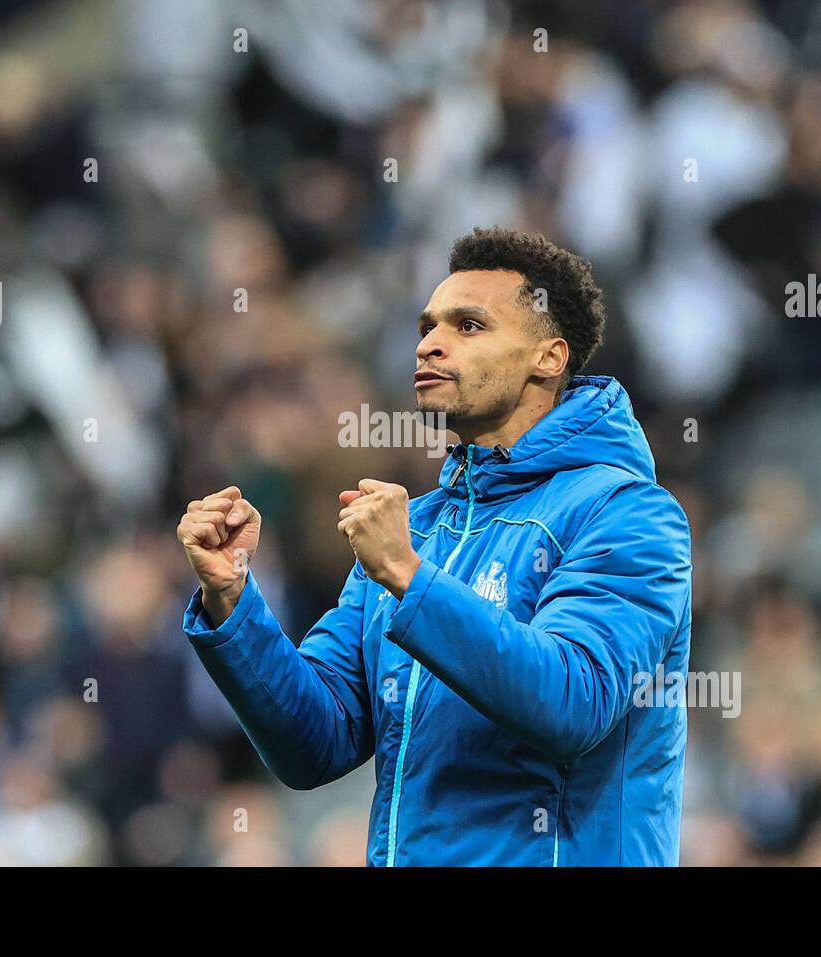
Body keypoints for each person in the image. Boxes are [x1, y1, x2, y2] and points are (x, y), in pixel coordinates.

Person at [179, 227, 692, 865]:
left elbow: (573, 704)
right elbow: (314, 744)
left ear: (549, 358)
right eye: (428, 326)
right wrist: (233, 601)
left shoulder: (626, 512)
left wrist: (408, 575)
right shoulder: (416, 529)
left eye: (469, 326)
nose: (430, 343)